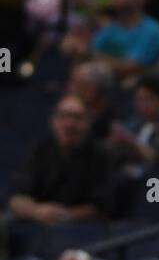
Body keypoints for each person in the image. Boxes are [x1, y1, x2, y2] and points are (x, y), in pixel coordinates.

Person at [7, 95, 118, 233]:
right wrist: (37, 211)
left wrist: (63, 214)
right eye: (64, 116)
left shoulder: (102, 154)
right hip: (36, 224)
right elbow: (16, 198)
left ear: (89, 122)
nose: (70, 124)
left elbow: (102, 208)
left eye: (77, 118)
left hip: (81, 230)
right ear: (53, 121)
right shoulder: (41, 150)